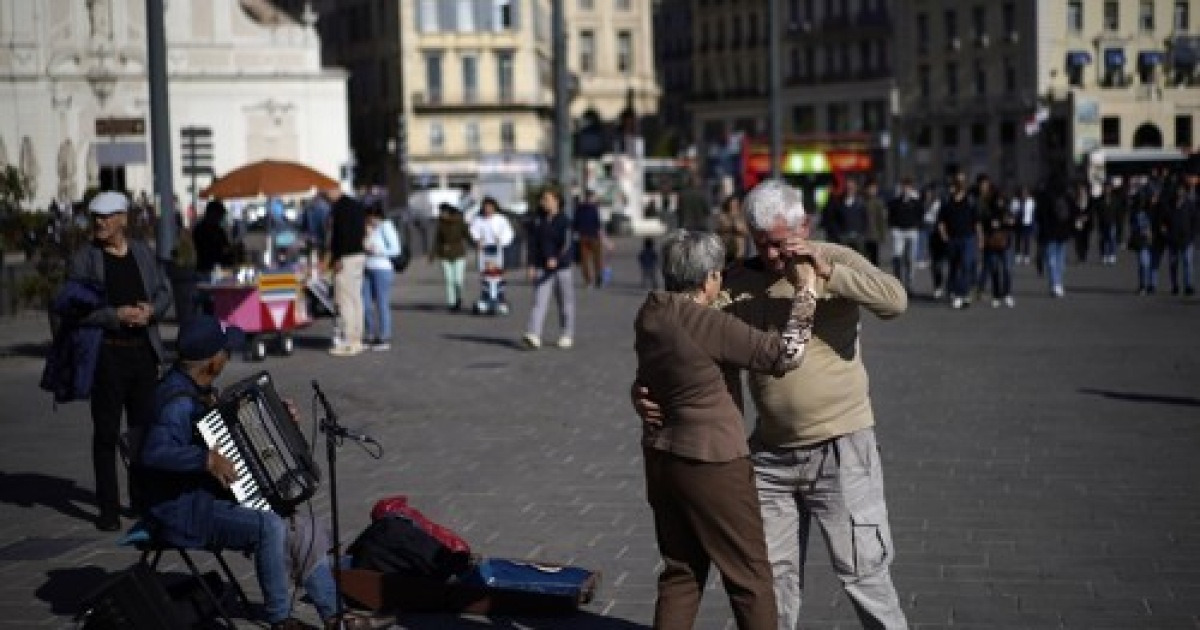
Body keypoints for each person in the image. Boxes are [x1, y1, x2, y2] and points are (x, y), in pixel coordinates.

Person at [634, 179, 909, 630]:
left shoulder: (835, 259)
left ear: (804, 225)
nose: (773, 257)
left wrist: (829, 275)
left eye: (781, 244)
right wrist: (642, 392)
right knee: (773, 579)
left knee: (863, 574)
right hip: (770, 457)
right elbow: (681, 335)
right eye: (761, 245)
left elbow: (895, 301)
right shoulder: (739, 281)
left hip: (840, 449)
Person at [139, 315, 372, 630]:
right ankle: (280, 620)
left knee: (302, 525)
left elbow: (236, 436)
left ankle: (334, 616)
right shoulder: (177, 402)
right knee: (269, 527)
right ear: (211, 361)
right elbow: (153, 453)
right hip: (181, 510)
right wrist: (205, 460)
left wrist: (282, 422)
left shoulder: (200, 389)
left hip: (208, 496)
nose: (229, 356)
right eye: (226, 351)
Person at [635, 229, 817, 630]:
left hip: (664, 458)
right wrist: (806, 292)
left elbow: (648, 378)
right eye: (718, 274)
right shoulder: (704, 323)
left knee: (681, 573)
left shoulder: (652, 312)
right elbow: (787, 354)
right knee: (750, 576)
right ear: (707, 280)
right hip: (712, 461)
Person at [68, 191, 171, 532]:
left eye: (108, 216)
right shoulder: (85, 259)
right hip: (106, 354)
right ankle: (108, 509)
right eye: (96, 216)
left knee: (143, 432)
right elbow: (75, 308)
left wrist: (151, 311)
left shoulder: (141, 252)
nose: (100, 222)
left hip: (142, 353)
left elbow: (165, 292)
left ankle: (142, 502)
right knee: (106, 433)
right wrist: (115, 315)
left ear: (123, 219)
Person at [522, 188, 575, 349]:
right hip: (542, 267)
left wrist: (557, 259)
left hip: (561, 269)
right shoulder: (538, 220)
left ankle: (567, 334)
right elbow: (532, 245)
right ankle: (534, 334)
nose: (543, 202)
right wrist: (531, 264)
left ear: (557, 201)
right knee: (539, 302)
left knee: (565, 303)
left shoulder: (564, 221)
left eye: (547, 199)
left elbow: (566, 245)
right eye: (542, 199)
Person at [326, 187, 367, 356]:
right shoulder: (356, 205)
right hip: (359, 254)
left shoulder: (340, 208)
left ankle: (348, 341)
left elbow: (340, 234)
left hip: (345, 258)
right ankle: (357, 338)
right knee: (356, 298)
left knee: (344, 300)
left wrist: (336, 257)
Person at [937, 174, 981, 309]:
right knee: (954, 267)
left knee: (966, 265)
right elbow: (941, 221)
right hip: (952, 238)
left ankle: (963, 293)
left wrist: (980, 238)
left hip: (967, 238)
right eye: (957, 183)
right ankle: (954, 292)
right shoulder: (947, 202)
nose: (960, 186)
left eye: (962, 183)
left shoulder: (970, 201)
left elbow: (976, 222)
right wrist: (943, 234)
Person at [362, 204, 401, 351]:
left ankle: (384, 336)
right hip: (366, 268)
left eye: (371, 217)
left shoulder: (386, 226)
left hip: (382, 268)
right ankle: (369, 333)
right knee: (365, 304)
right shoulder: (367, 227)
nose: (369, 220)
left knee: (381, 303)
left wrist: (378, 250)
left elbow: (396, 249)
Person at [430, 202, 470, 311]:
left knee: (458, 280)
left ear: (449, 212)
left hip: (458, 254)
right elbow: (437, 240)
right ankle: (452, 303)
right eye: (440, 212)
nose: (442, 214)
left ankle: (459, 297)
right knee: (448, 280)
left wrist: (476, 244)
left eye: (443, 212)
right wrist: (432, 255)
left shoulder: (460, 221)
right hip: (445, 255)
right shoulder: (440, 223)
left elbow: (467, 235)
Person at [981, 189, 1016, 307]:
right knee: (995, 270)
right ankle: (996, 295)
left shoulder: (1008, 211)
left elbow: (1013, 224)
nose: (999, 202)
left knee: (1007, 270)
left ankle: (1007, 294)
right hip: (992, 244)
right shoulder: (989, 212)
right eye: (997, 200)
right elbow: (986, 225)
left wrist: (1007, 223)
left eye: (1001, 200)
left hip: (1006, 244)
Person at [886, 178, 923, 291]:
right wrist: (892, 226)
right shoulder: (895, 202)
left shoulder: (916, 202)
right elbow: (890, 215)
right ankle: (898, 280)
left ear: (911, 188)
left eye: (908, 187)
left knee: (911, 258)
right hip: (898, 231)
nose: (906, 189)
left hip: (912, 231)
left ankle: (910, 282)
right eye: (904, 186)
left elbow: (920, 214)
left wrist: (917, 225)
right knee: (897, 256)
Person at [573, 189, 606, 288]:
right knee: (596, 260)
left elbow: (575, 224)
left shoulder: (579, 208)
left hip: (584, 237)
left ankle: (589, 281)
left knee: (585, 261)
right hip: (592, 237)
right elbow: (598, 225)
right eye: (593, 197)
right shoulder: (593, 208)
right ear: (591, 197)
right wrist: (604, 239)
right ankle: (596, 279)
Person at [192, 199, 235, 275]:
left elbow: (226, 247)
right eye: (219, 216)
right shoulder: (200, 230)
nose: (220, 219)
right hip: (205, 270)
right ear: (211, 213)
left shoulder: (219, 230)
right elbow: (204, 251)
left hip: (221, 269)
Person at [715, 194, 750, 266]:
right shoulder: (723, 215)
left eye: (736, 204)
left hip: (740, 249)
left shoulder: (742, 215)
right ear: (728, 204)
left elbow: (744, 230)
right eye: (733, 204)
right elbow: (721, 227)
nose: (734, 206)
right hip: (727, 246)